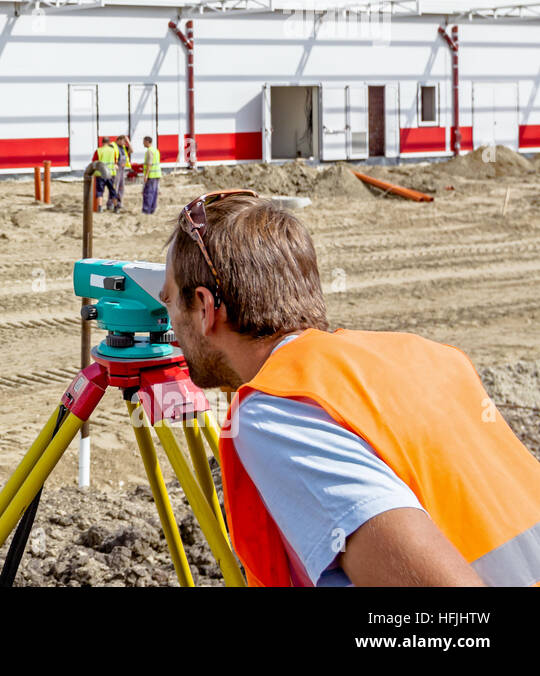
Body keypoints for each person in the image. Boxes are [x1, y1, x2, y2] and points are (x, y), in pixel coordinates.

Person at [159, 190, 540, 586]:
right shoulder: (426, 355)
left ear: (205, 308)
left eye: (170, 301)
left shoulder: (280, 411)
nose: (170, 324)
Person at [92, 136, 118, 211]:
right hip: (110, 174)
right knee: (112, 191)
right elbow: (115, 161)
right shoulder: (113, 151)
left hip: (100, 174)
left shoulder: (98, 151)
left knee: (100, 191)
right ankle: (116, 207)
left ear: (102, 142)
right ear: (109, 142)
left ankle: (100, 207)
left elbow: (94, 162)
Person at [109, 135, 131, 213]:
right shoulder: (113, 145)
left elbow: (131, 150)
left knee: (121, 187)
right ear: (119, 140)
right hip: (116, 169)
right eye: (123, 141)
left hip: (122, 169)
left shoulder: (123, 147)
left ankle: (119, 203)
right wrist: (114, 164)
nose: (124, 143)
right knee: (115, 186)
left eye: (125, 142)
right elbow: (110, 155)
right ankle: (111, 203)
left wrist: (128, 142)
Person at [141, 136, 162, 214]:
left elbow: (149, 164)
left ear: (147, 141)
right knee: (154, 192)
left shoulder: (149, 151)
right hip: (157, 174)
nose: (143, 143)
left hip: (151, 175)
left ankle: (147, 210)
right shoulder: (155, 150)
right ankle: (152, 209)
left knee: (148, 193)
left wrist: (146, 175)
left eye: (143, 141)